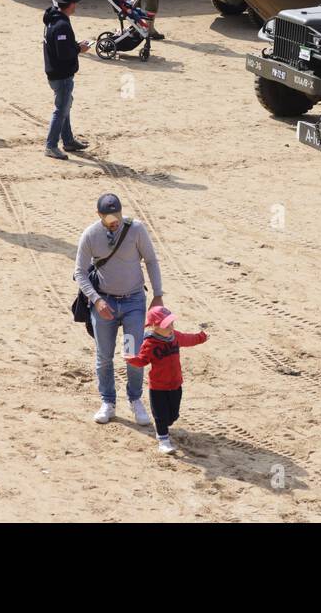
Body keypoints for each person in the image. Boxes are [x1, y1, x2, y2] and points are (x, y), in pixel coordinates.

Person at [76, 193, 164, 427]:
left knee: (132, 354)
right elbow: (80, 273)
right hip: (105, 304)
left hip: (134, 303)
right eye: (108, 217)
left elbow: (151, 260)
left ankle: (135, 399)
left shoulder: (136, 229)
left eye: (117, 215)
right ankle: (108, 401)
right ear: (99, 216)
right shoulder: (91, 235)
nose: (114, 221)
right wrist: (96, 300)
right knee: (104, 356)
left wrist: (158, 294)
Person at [125, 306, 208, 454]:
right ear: (155, 326)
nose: (171, 327)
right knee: (161, 416)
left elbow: (189, 339)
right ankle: (163, 440)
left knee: (173, 415)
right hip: (158, 388)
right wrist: (132, 360)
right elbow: (143, 360)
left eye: (171, 324)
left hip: (176, 384)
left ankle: (166, 425)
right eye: (166, 325)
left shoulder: (175, 336)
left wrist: (201, 337)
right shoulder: (149, 344)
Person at [42, 0, 90, 161]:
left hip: (55, 72)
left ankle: (68, 141)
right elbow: (63, 53)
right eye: (75, 2)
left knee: (65, 105)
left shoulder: (54, 19)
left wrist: (74, 45)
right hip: (61, 75)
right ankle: (51, 145)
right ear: (70, 5)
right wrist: (79, 48)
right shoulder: (61, 25)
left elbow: (59, 47)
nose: (76, 5)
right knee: (61, 109)